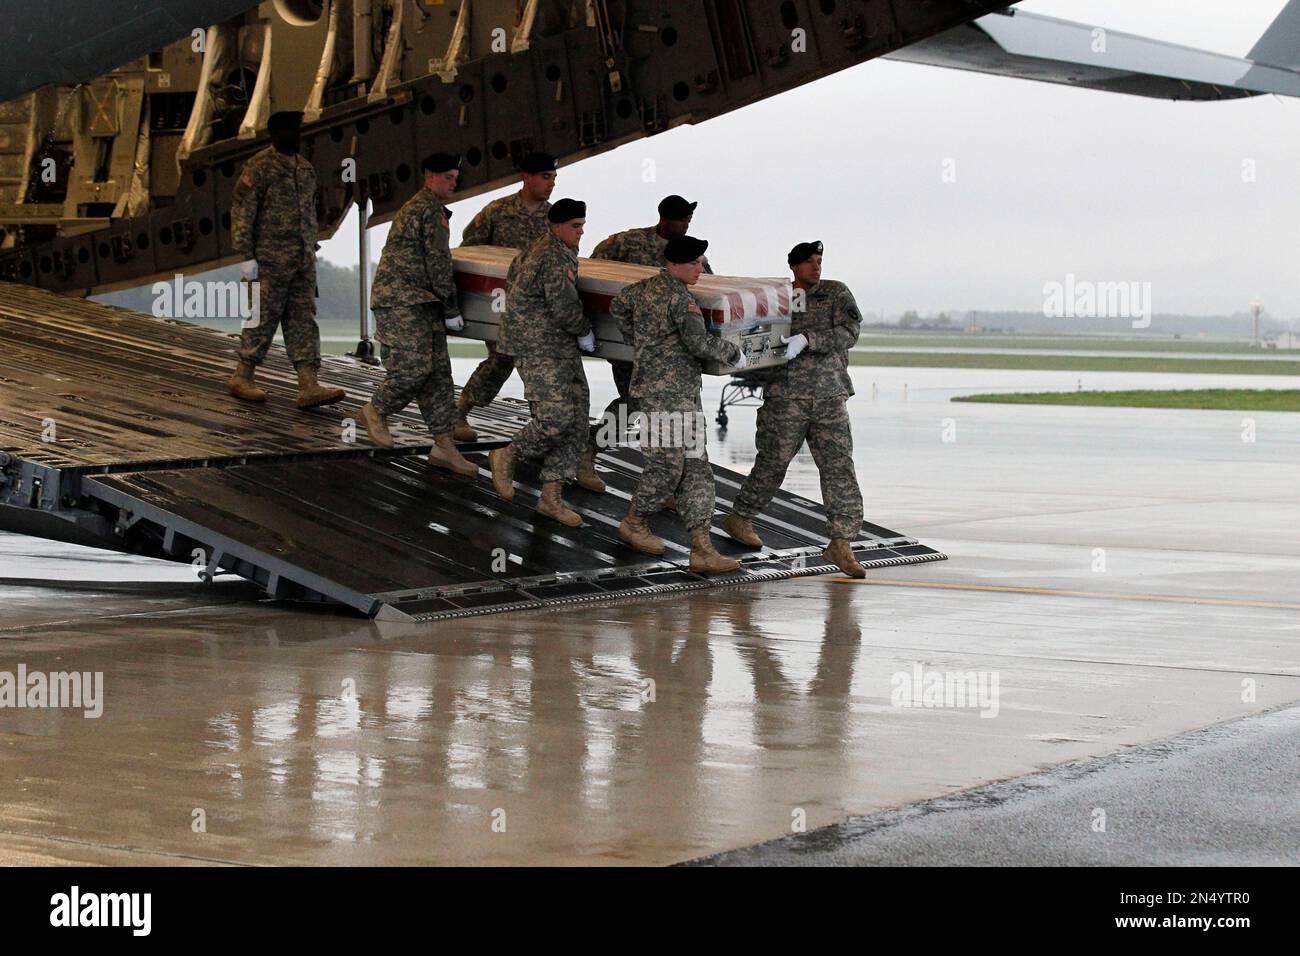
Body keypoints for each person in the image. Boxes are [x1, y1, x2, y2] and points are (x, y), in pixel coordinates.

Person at [721, 240, 866, 577]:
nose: (817, 267)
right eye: (809, 262)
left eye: (819, 261)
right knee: (772, 464)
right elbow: (752, 336)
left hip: (829, 396)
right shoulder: (778, 299)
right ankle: (741, 516)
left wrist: (809, 340)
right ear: (794, 267)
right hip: (785, 397)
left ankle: (841, 543)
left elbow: (850, 331)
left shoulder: (835, 293)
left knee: (838, 468)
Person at [609, 235, 745, 574]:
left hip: (676, 393)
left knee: (696, 467)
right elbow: (698, 342)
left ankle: (701, 548)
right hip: (666, 395)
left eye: (701, 262)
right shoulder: (681, 300)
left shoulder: (641, 290)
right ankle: (634, 521)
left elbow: (618, 307)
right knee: (668, 467)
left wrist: (640, 343)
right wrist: (733, 353)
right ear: (676, 263)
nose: (701, 269)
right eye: (695, 263)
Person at [353, 153, 476, 475]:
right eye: (448, 177)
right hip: (402, 301)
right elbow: (438, 263)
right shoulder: (429, 210)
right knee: (414, 368)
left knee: (439, 375)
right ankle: (375, 410)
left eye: (455, 177)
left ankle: (443, 445)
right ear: (430, 176)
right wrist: (451, 308)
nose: (453, 183)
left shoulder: (424, 208)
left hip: (422, 302)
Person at [485, 198, 596, 526]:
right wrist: (585, 330)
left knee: (576, 419)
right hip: (537, 346)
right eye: (575, 227)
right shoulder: (550, 255)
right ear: (557, 225)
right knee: (556, 418)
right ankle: (508, 455)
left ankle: (551, 496)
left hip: (557, 346)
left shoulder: (552, 250)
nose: (580, 233)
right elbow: (563, 305)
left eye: (582, 227)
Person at [226, 110, 345, 408]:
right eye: (292, 130)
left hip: (302, 262)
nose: (298, 135)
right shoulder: (259, 168)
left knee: (303, 320)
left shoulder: (305, 169)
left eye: (298, 130)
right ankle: (243, 376)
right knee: (262, 318)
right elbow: (242, 213)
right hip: (268, 262)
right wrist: (246, 256)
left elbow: (309, 214)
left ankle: (308, 385)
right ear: (277, 133)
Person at [454, 151, 558, 442]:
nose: (551, 184)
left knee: (540, 367)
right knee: (502, 360)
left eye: (554, 178)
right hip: (497, 305)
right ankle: (460, 411)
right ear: (527, 177)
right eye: (546, 177)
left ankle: (544, 429)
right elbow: (468, 250)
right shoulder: (496, 211)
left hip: (537, 310)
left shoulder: (554, 220)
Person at [591, 194, 713, 398]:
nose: (686, 225)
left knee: (668, 408)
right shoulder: (629, 242)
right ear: (665, 219)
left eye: (688, 220)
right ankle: (609, 429)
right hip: (631, 344)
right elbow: (595, 269)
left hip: (671, 350)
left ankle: (619, 429)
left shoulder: (690, 252)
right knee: (633, 399)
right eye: (681, 220)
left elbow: (708, 285)